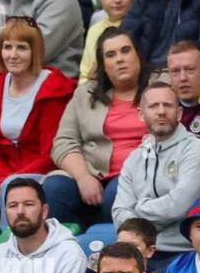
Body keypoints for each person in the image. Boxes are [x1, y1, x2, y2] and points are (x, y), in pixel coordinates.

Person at [0, 16, 76, 221]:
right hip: (4, 175)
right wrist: (2, 180)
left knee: (11, 194)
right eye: (7, 47)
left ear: (35, 51)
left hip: (43, 174)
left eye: (21, 48)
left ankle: (10, 251)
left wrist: (0, 185)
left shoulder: (53, 88)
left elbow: (49, 157)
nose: (13, 55)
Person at [48, 27, 146, 224]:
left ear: (138, 55)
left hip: (140, 175)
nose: (119, 59)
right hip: (92, 173)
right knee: (53, 190)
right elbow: (64, 142)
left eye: (125, 51)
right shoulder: (85, 94)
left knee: (117, 192)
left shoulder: (160, 86)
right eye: (111, 55)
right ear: (103, 65)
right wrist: (83, 177)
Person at [113, 81, 200, 257]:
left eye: (167, 105)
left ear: (179, 113)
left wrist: (138, 210)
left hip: (182, 254)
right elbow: (119, 213)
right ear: (141, 114)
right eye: (153, 106)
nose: (161, 111)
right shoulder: (134, 158)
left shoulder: (196, 150)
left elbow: (177, 206)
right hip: (138, 254)